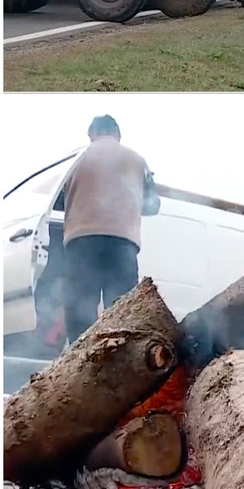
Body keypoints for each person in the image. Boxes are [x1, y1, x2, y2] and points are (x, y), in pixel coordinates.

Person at [61, 115, 158, 343]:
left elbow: (57, 201)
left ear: (91, 134)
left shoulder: (74, 159)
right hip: (122, 244)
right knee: (120, 312)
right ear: (118, 134)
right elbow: (153, 206)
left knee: (80, 312)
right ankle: (116, 363)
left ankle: (78, 364)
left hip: (80, 242)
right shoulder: (137, 160)